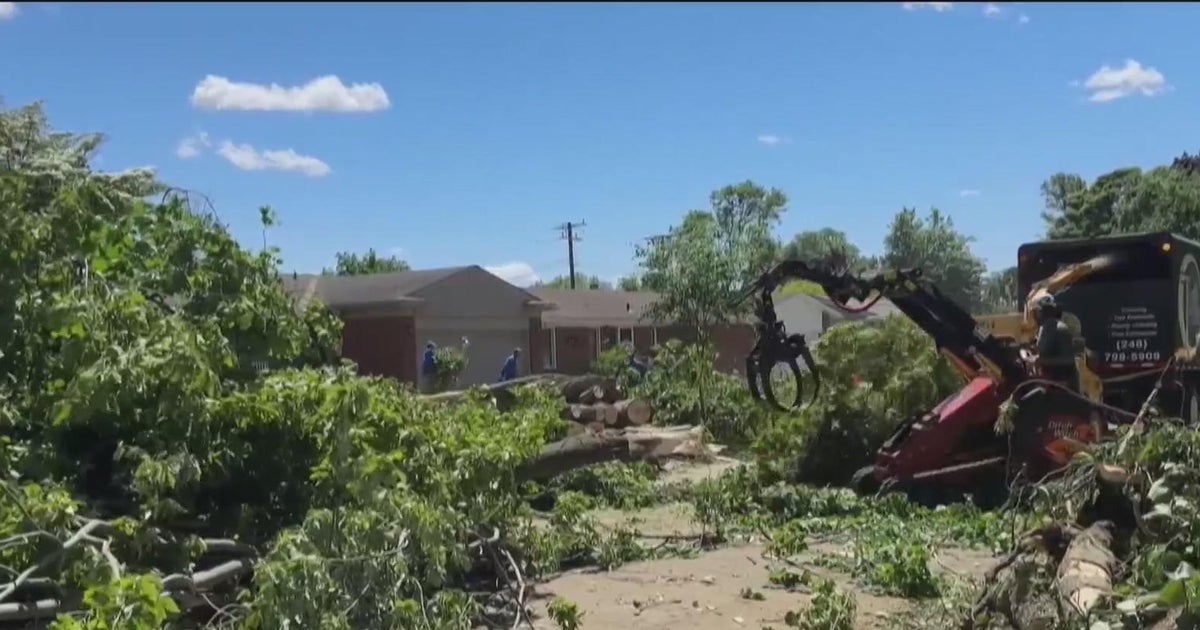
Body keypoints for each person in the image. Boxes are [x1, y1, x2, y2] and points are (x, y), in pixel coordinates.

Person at [1028, 294, 1080, 393]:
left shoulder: (1060, 329)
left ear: (1041, 311)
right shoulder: (1045, 328)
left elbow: (1068, 360)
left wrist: (1040, 360)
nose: (1034, 316)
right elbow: (1047, 351)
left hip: (1064, 387)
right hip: (1051, 384)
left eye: (1035, 312)